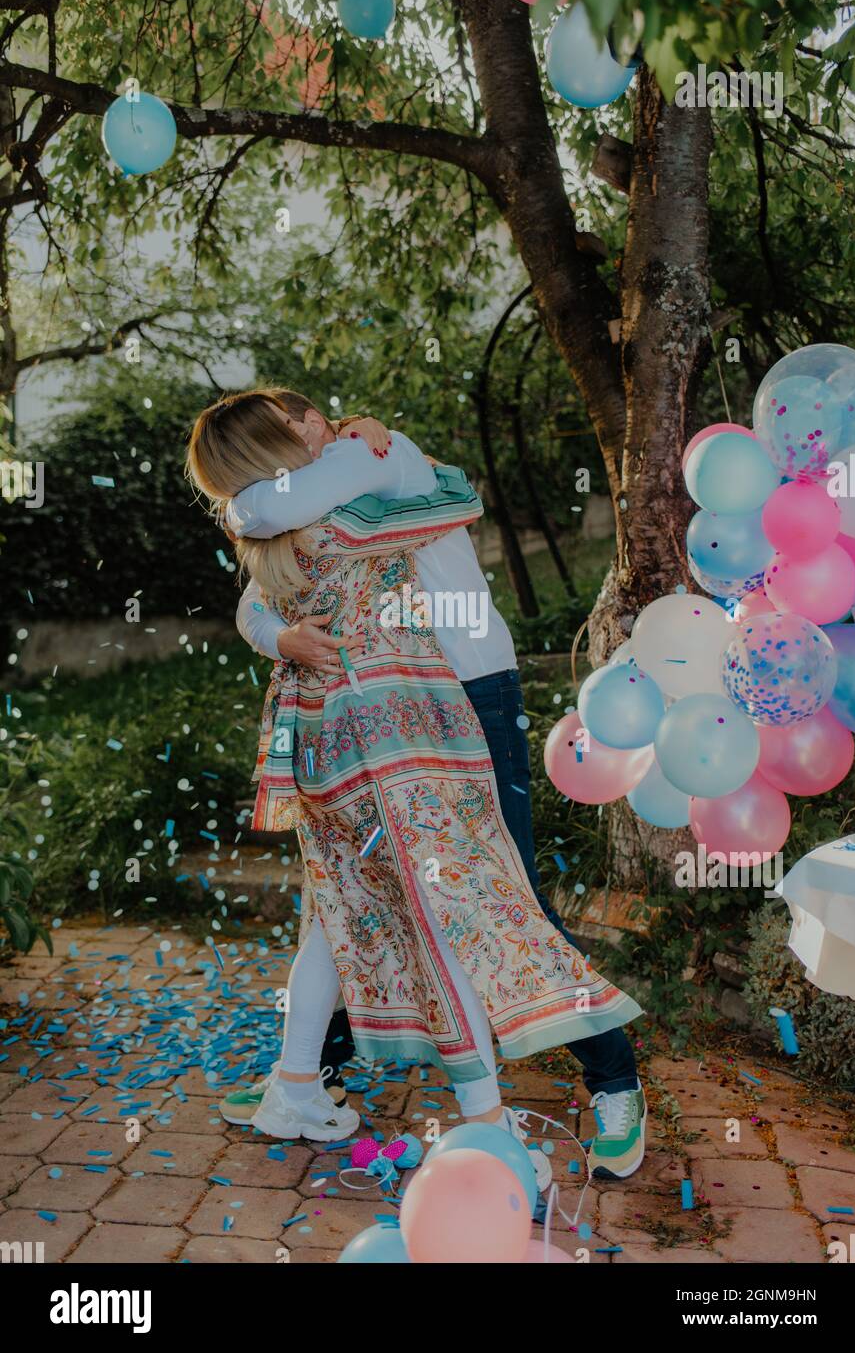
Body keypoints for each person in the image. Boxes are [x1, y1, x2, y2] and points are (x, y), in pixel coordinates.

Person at [187, 388, 644, 1187]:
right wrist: (281, 634)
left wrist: (254, 498)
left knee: (504, 897)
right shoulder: (306, 501)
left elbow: (270, 508)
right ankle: (306, 1077)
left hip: (468, 691)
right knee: (346, 900)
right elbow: (254, 596)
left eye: (309, 412)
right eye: (295, 420)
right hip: (368, 716)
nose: (314, 422)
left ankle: (614, 1082)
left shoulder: (382, 460)